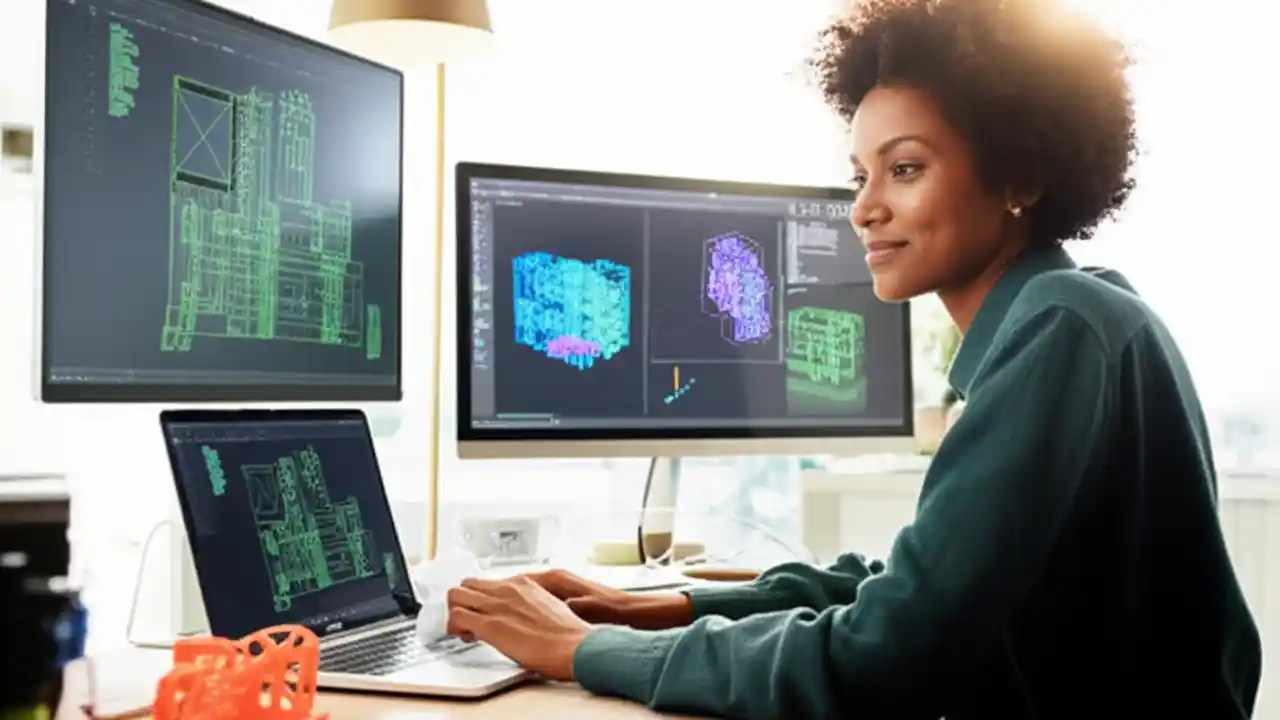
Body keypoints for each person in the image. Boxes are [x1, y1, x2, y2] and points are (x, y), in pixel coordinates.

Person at [446, 0, 1264, 716]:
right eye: (860, 173)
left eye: (904, 169)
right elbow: (915, 588)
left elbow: (885, 655)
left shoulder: (1061, 329)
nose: (864, 209)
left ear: (1019, 173)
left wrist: (580, 651)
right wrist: (655, 608)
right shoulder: (1085, 313)